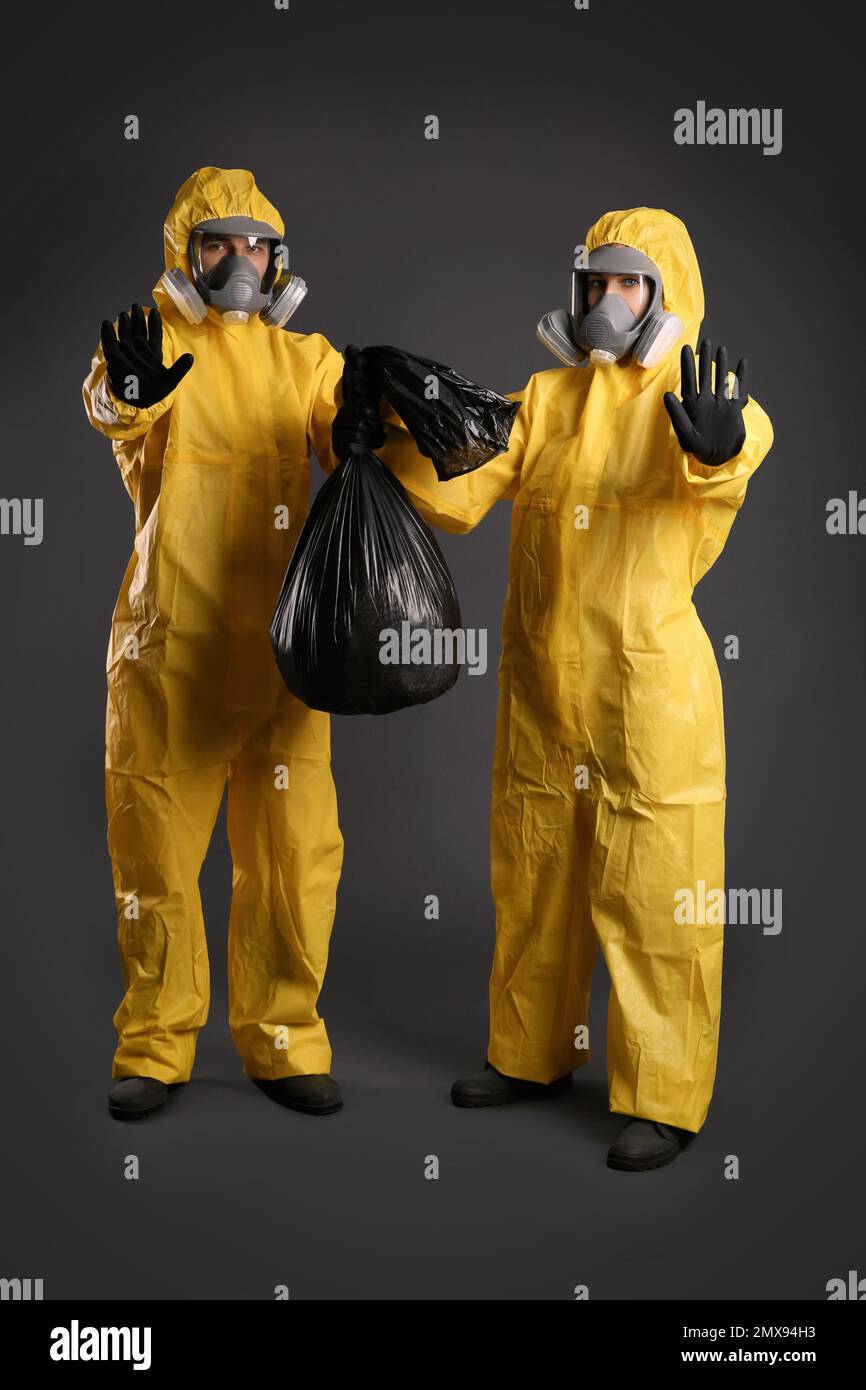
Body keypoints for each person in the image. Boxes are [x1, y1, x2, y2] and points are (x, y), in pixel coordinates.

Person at [374, 207, 774, 1171]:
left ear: (664, 294)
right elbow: (459, 489)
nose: (605, 300)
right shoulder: (545, 400)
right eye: (595, 283)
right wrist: (389, 435)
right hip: (545, 692)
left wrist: (715, 452)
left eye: (627, 283)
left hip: (649, 696)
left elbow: (734, 455)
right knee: (536, 874)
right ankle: (528, 1055)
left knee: (656, 893)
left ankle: (666, 1101)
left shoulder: (700, 395)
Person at [82, 167, 381, 1121]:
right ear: (187, 253)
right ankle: (156, 1045)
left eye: (257, 246)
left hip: (285, 661)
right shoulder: (150, 345)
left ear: (279, 259)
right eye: (219, 244)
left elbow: (357, 439)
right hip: (171, 651)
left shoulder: (306, 361)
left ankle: (284, 1040)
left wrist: (381, 421)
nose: (240, 261)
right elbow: (110, 405)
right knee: (157, 863)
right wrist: (129, 395)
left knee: (294, 861)